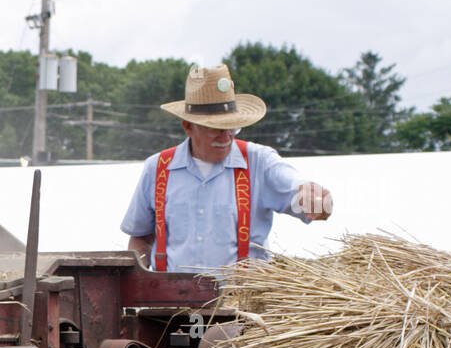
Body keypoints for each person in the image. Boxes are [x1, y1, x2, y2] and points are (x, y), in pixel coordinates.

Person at [122, 64, 333, 273]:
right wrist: (140, 281)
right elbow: (141, 237)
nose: (226, 137)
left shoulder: (260, 162)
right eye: (215, 129)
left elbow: (307, 199)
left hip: (241, 302)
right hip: (171, 304)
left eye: (232, 126)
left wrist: (316, 200)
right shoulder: (157, 169)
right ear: (188, 127)